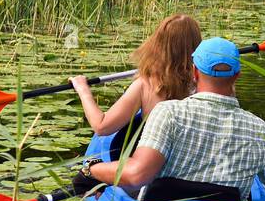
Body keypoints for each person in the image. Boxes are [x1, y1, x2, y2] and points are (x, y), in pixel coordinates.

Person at [80, 37, 265, 201]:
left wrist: (92, 170)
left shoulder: (167, 112)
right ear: (237, 75)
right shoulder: (258, 128)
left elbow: (137, 175)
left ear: (195, 72)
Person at [70, 14, 201, 151]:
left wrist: (83, 90)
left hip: (154, 160)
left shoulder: (146, 85)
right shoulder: (205, 83)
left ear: (158, 43)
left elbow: (102, 126)